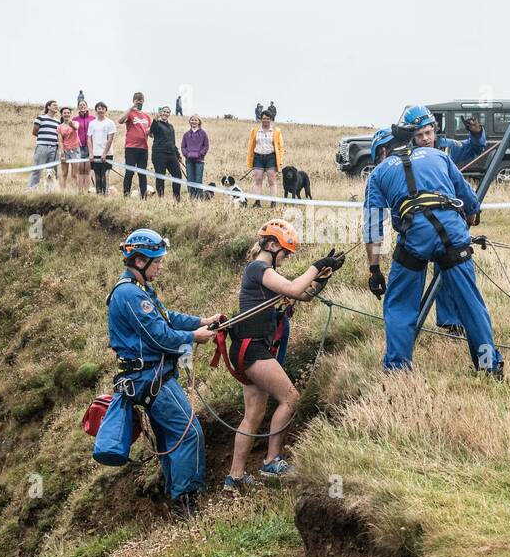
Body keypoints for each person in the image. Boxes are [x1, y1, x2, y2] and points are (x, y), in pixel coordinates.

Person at [363, 106, 503, 377]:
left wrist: (374, 270)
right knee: (471, 303)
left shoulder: (378, 175)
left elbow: (372, 230)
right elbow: (470, 203)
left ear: (381, 152)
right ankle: (489, 365)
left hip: (414, 237)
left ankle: (397, 371)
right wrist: (471, 217)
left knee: (399, 305)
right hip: (453, 233)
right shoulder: (439, 155)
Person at [92, 229, 219, 519]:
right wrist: (193, 338)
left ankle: (177, 498)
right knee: (188, 434)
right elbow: (160, 336)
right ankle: (185, 502)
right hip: (151, 379)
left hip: (150, 376)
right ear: (139, 261)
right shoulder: (128, 294)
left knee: (169, 437)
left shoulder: (139, 290)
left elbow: (167, 317)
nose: (161, 266)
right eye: (157, 261)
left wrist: (201, 321)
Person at [222, 220, 344, 491]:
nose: (287, 257)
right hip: (253, 349)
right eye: (286, 252)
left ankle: (235, 478)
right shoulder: (259, 268)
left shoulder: (266, 271)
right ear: (272, 245)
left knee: (254, 414)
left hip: (248, 347)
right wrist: (316, 265)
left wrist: (321, 277)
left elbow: (303, 295)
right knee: (291, 398)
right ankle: (271, 460)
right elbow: (291, 289)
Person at [402, 106, 487, 336]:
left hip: (449, 219)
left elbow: (475, 148)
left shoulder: (448, 147)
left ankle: (452, 322)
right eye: (419, 135)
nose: (425, 139)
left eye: (428, 133)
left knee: (450, 267)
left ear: (435, 129)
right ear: (412, 136)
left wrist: (477, 133)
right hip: (418, 222)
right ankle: (409, 323)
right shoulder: (407, 156)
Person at [246, 109, 284, 207]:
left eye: (267, 118)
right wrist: (251, 159)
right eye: (263, 118)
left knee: (272, 180)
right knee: (258, 180)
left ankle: (273, 203)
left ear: (270, 119)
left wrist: (279, 160)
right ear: (261, 119)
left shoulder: (276, 131)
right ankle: (257, 202)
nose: (265, 120)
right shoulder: (255, 131)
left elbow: (280, 147)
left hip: (271, 157)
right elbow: (251, 145)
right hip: (258, 157)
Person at [149, 106, 183, 202]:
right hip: (159, 154)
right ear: (160, 112)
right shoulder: (157, 124)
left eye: (168, 112)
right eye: (164, 111)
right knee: (160, 176)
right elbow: (152, 131)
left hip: (171, 154)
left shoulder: (171, 127)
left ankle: (176, 199)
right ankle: (161, 199)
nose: (165, 113)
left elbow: (172, 142)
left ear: (169, 114)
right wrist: (155, 118)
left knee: (177, 175)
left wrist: (178, 154)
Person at [122, 92, 152, 199]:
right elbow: (120, 120)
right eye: (137, 99)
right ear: (133, 100)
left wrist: (151, 131)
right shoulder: (130, 113)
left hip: (143, 148)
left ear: (143, 101)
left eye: (141, 99)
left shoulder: (147, 117)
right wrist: (131, 108)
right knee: (129, 172)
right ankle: (126, 195)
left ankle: (143, 196)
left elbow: (150, 133)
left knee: (142, 173)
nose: (139, 101)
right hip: (131, 147)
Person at [28, 100, 61, 190]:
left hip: (54, 148)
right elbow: (34, 131)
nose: (56, 107)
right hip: (42, 146)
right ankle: (31, 189)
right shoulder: (40, 118)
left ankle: (50, 190)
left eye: (57, 105)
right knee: (37, 168)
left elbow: (58, 136)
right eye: (54, 105)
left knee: (52, 170)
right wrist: (44, 138)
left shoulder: (58, 122)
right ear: (48, 107)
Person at [88, 102, 117, 195]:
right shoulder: (92, 123)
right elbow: (89, 139)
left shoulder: (110, 123)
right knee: (97, 176)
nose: (100, 110)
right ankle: (98, 195)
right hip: (95, 154)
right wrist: (91, 153)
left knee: (105, 176)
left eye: (102, 108)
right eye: (99, 108)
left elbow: (110, 139)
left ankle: (105, 195)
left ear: (105, 110)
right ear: (96, 110)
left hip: (107, 154)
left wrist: (104, 153)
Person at [181, 115, 209, 199]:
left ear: (199, 122)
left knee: (198, 179)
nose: (194, 121)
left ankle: (199, 197)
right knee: (190, 179)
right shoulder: (186, 134)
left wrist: (200, 154)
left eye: (196, 120)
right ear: (190, 122)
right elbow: (183, 146)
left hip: (199, 161)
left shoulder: (203, 133)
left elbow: (206, 146)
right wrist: (187, 154)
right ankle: (192, 197)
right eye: (192, 120)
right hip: (189, 160)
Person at [58, 106, 83, 192]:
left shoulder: (75, 123)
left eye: (68, 113)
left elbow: (76, 128)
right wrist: (62, 154)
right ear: (61, 115)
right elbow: (60, 141)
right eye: (64, 113)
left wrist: (71, 125)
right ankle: (62, 192)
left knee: (74, 174)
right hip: (65, 150)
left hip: (75, 150)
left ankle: (74, 192)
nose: (66, 114)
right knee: (64, 173)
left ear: (70, 114)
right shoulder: (59, 127)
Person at [75, 100, 95, 192]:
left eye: (84, 105)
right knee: (80, 170)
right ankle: (80, 191)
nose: (82, 106)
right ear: (78, 107)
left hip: (89, 147)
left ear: (87, 106)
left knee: (87, 170)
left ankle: (87, 190)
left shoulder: (92, 118)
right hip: (79, 147)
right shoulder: (75, 119)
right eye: (80, 105)